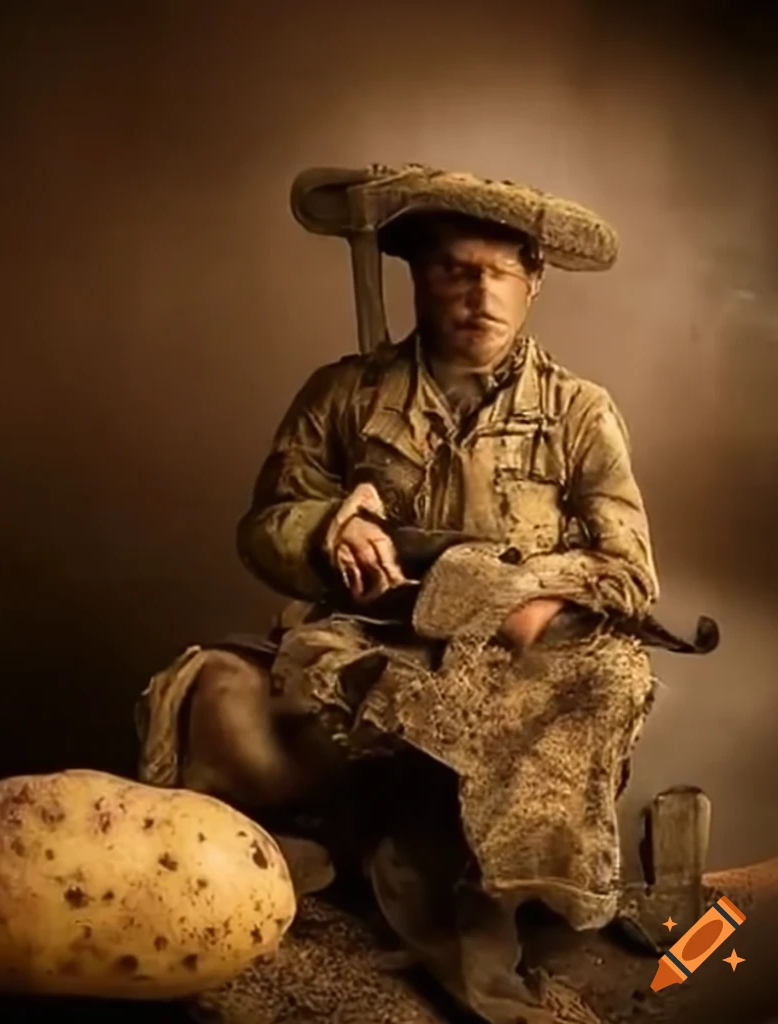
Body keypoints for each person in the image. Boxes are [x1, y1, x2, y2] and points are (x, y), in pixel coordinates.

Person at [135, 173, 707, 1024]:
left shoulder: (578, 413)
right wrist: (331, 527)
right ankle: (306, 863)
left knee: (583, 698)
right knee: (214, 697)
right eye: (452, 271)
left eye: (497, 273)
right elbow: (263, 527)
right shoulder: (345, 395)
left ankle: (475, 909)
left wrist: (535, 595)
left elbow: (629, 569)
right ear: (416, 278)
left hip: (513, 665)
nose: (477, 293)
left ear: (534, 278)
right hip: (366, 646)